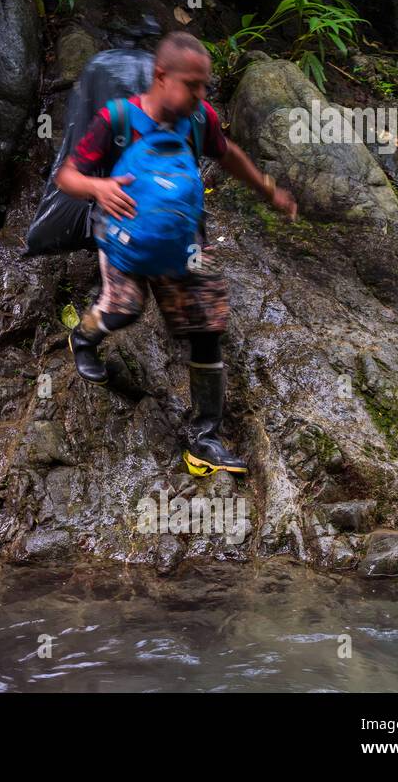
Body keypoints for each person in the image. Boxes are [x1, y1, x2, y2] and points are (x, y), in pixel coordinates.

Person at [54, 31, 298, 475]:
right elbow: (68, 175)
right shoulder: (118, 120)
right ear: (161, 76)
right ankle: (84, 336)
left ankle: (204, 438)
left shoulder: (199, 119)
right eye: (193, 84)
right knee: (123, 308)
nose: (202, 94)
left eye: (205, 85)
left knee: (207, 325)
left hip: (184, 241)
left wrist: (268, 189)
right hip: (123, 236)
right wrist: (97, 186)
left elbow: (228, 155)